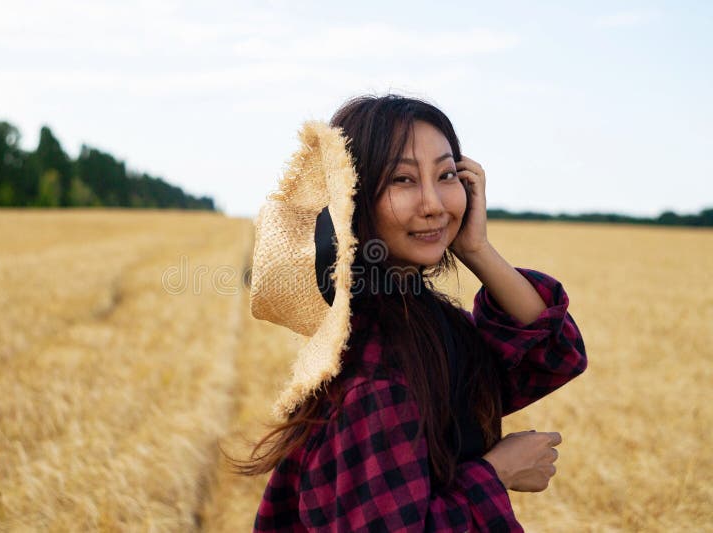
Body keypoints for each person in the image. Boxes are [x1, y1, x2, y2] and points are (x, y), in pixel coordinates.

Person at [236, 94, 588, 531]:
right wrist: (498, 474)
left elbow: (551, 355)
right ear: (355, 201)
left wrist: (476, 249)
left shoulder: (417, 317)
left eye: (445, 174)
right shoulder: (377, 375)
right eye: (402, 180)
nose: (434, 203)